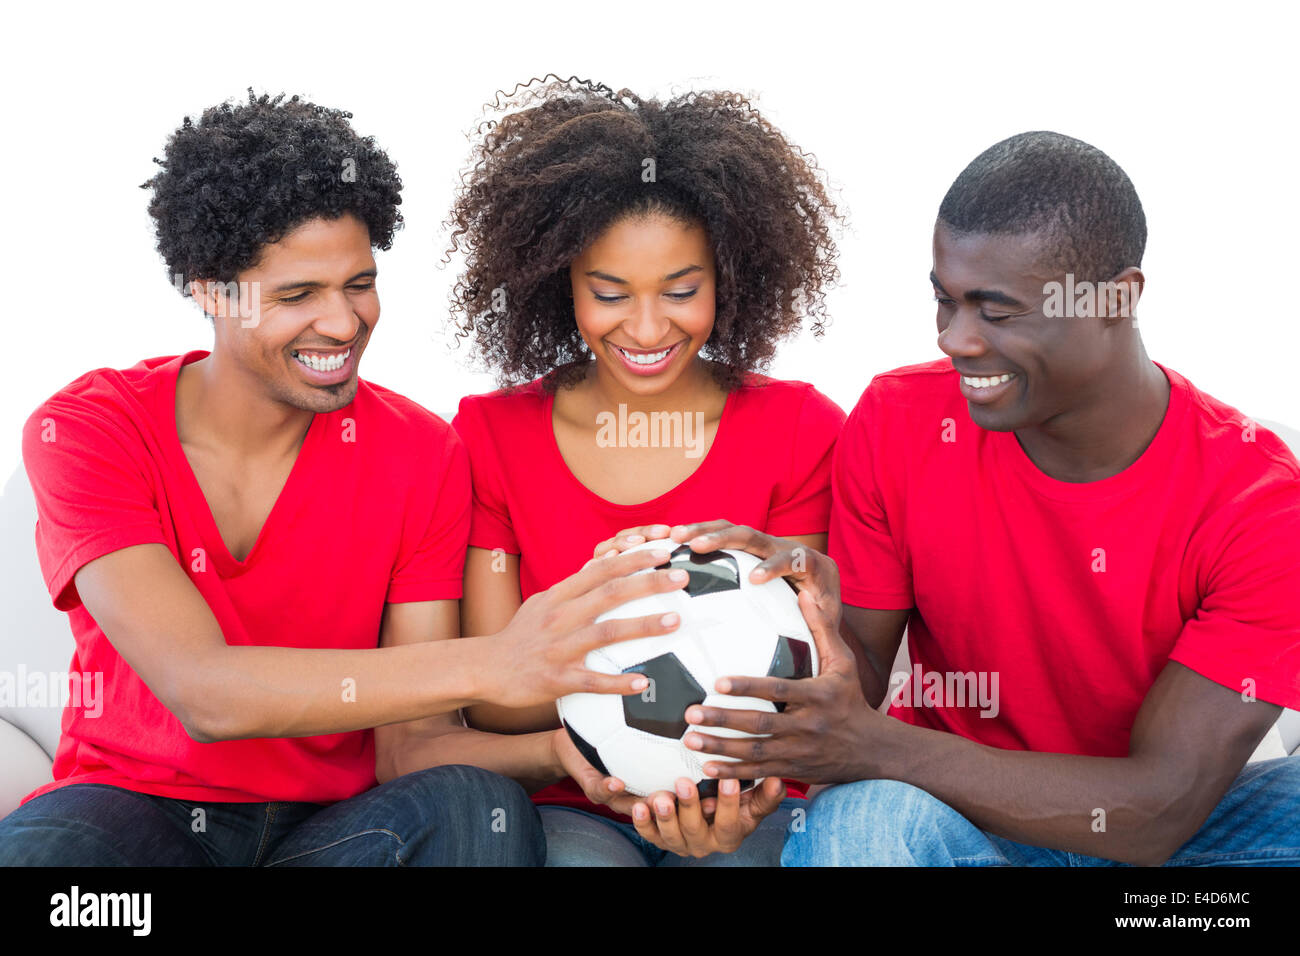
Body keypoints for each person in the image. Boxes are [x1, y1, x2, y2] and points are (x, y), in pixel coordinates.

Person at [0, 91, 688, 867]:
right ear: (209, 290)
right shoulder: (91, 429)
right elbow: (203, 693)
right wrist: (499, 660)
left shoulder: (421, 453)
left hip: (337, 832)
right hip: (134, 815)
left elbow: (412, 749)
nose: (343, 322)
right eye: (297, 296)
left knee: (474, 805)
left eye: (358, 284)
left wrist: (575, 752)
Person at [633, 132, 1300, 866]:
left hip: (1170, 833)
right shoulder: (899, 421)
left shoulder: (1259, 501)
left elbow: (1156, 809)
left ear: (1117, 298)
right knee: (861, 829)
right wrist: (800, 617)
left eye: (997, 312)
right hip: (956, 818)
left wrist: (875, 746)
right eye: (944, 301)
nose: (955, 339)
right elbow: (854, 676)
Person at [441, 77, 847, 865]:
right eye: (610, 293)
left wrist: (721, 773)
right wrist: (616, 723)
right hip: (575, 810)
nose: (649, 327)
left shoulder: (799, 429)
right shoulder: (492, 436)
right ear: (559, 283)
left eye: (682, 290)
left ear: (729, 278)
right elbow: (496, 705)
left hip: (756, 798)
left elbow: (811, 671)